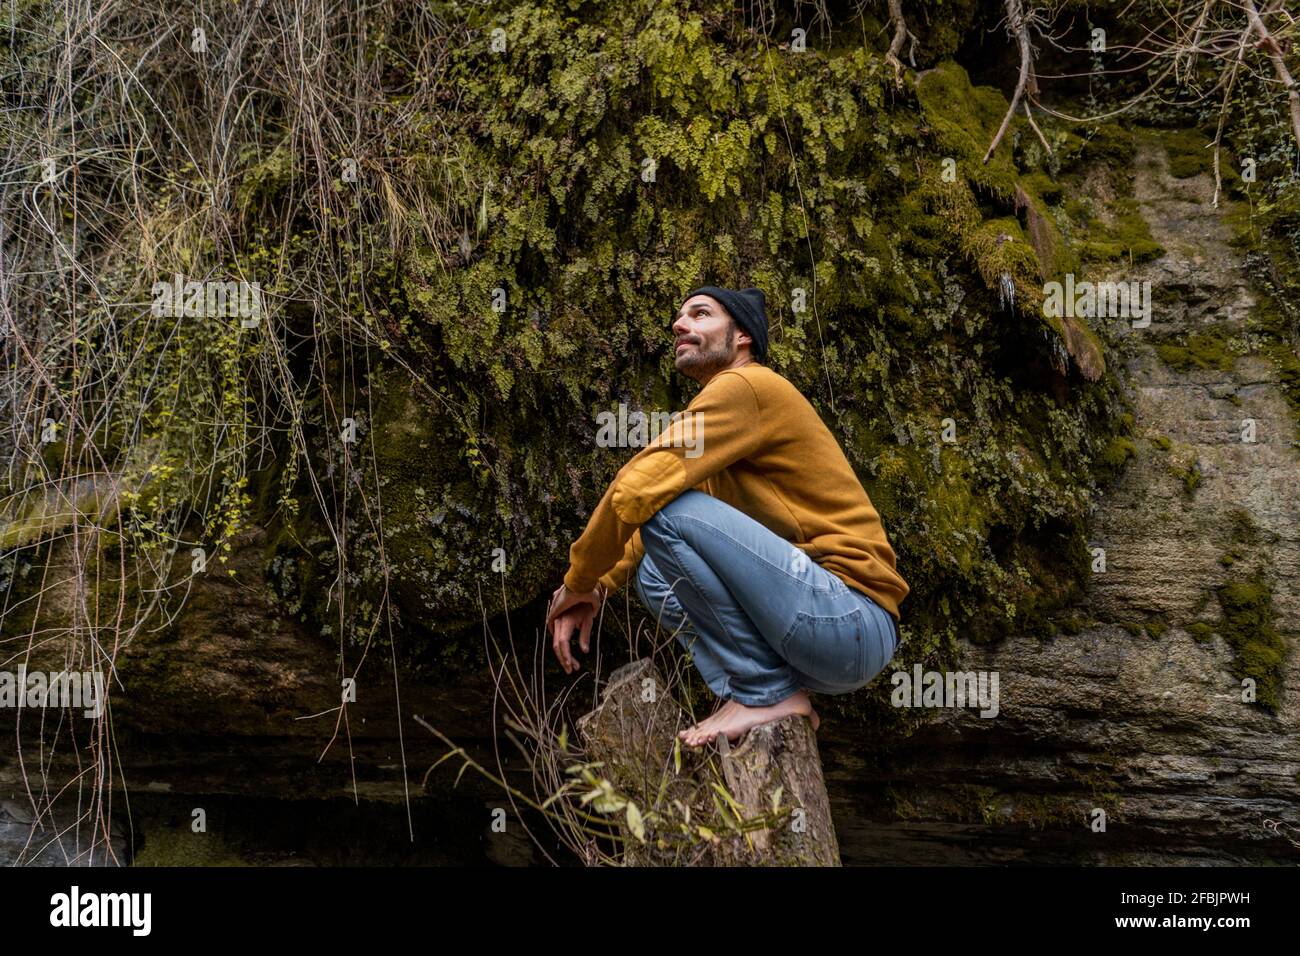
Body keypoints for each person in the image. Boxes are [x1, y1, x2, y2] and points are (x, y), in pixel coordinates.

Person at [545, 285, 908, 747]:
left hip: (849, 616)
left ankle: (763, 692)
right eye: (679, 317)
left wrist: (577, 580)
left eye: (700, 314)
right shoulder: (725, 430)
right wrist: (597, 586)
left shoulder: (746, 387)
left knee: (666, 513)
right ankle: (757, 690)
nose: (679, 325)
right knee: (655, 571)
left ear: (742, 338)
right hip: (823, 645)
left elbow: (635, 492)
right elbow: (644, 522)